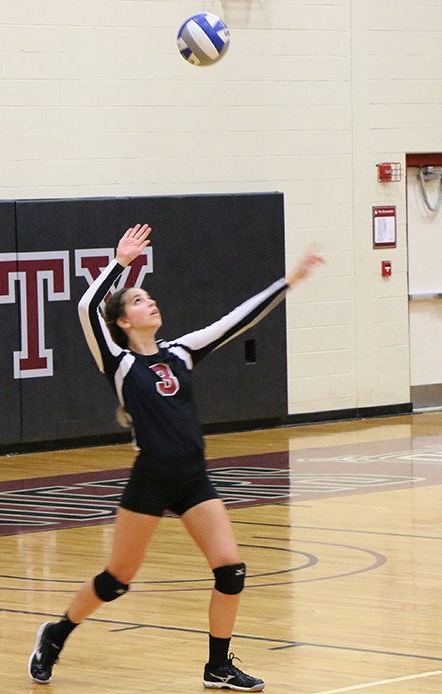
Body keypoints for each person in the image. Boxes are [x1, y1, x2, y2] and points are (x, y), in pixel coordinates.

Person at [28, 223, 324, 691]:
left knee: (231, 570)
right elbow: (86, 308)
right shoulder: (119, 362)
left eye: (148, 297)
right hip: (151, 477)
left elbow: (237, 320)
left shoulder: (182, 352)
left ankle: (218, 666)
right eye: (140, 300)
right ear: (124, 322)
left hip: (192, 476)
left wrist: (290, 281)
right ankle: (56, 635)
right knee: (118, 578)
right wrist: (120, 264)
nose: (151, 302)